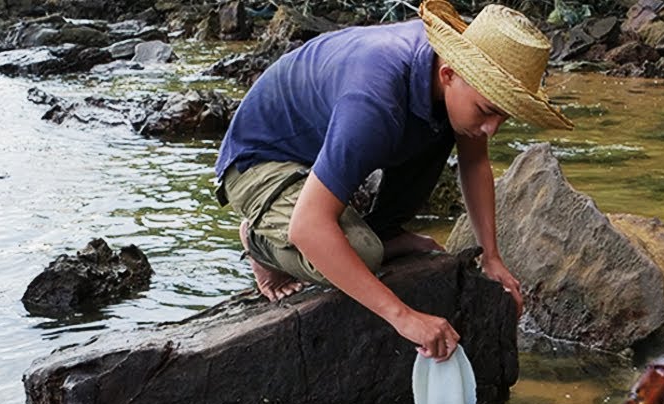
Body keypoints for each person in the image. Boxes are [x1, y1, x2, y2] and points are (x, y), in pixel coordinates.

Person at [214, 0, 572, 361]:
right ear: (448, 75)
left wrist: (492, 257)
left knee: (447, 129)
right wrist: (404, 317)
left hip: (319, 149)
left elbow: (474, 161)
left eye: (504, 117)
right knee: (360, 252)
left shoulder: (456, 76)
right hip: (259, 162)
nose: (492, 129)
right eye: (487, 111)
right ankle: (259, 238)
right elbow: (308, 227)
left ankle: (382, 232)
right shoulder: (374, 100)